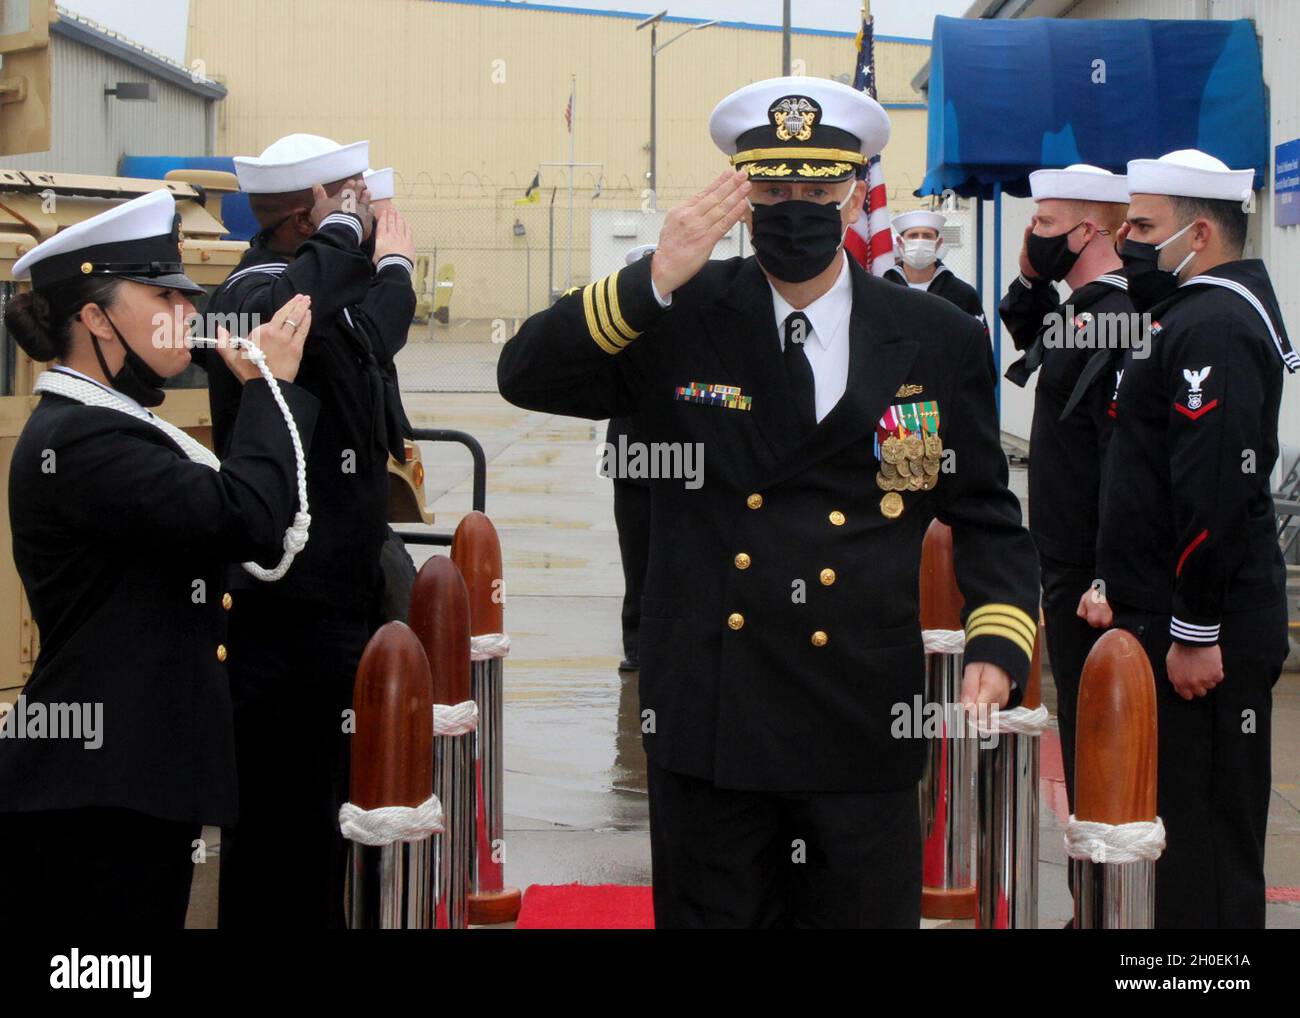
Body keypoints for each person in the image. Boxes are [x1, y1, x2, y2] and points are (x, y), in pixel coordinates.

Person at [498, 76, 1040, 928]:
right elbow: (526, 374)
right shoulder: (677, 316)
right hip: (716, 712)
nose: (798, 207)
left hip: (864, 713)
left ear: (854, 192)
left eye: (819, 188)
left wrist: (997, 639)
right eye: (775, 188)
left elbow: (983, 513)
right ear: (742, 194)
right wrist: (652, 275)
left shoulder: (931, 336)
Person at [0, 188, 317, 928]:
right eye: (162, 295)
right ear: (94, 319)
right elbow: (247, 517)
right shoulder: (82, 442)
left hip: (129, 782)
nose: (188, 313)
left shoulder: (113, 428)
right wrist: (269, 385)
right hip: (92, 795)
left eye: (187, 294)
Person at [202, 134, 416, 929]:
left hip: (336, 593)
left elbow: (374, 336)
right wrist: (347, 235)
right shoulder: (254, 293)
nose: (363, 206)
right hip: (283, 602)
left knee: (323, 807)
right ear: (303, 214)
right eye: (344, 195)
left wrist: (389, 263)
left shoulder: (315, 295)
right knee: (277, 814)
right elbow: (281, 313)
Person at [1079, 149, 1297, 928]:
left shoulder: (1215, 324)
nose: (1128, 239)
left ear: (1199, 233)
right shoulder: (1189, 314)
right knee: (1171, 830)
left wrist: (1195, 630)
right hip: (1163, 615)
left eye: (1143, 225)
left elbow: (1215, 492)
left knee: (1202, 840)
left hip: (1204, 630)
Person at [1000, 163, 1133, 812]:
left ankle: (1102, 900)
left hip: (1090, 563)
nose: (1035, 232)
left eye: (1046, 223)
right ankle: (1091, 896)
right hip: (1066, 554)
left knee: (1099, 738)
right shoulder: (1084, 308)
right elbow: (1032, 343)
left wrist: (1107, 573)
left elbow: (1120, 461)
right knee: (1080, 725)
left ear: (1087, 232)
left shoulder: (1118, 312)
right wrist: (1030, 274)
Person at [883, 210, 986, 332]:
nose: (920, 241)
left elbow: (980, 345)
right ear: (900, 243)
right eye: (913, 236)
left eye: (927, 236)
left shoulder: (963, 294)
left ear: (938, 243)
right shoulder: (882, 292)